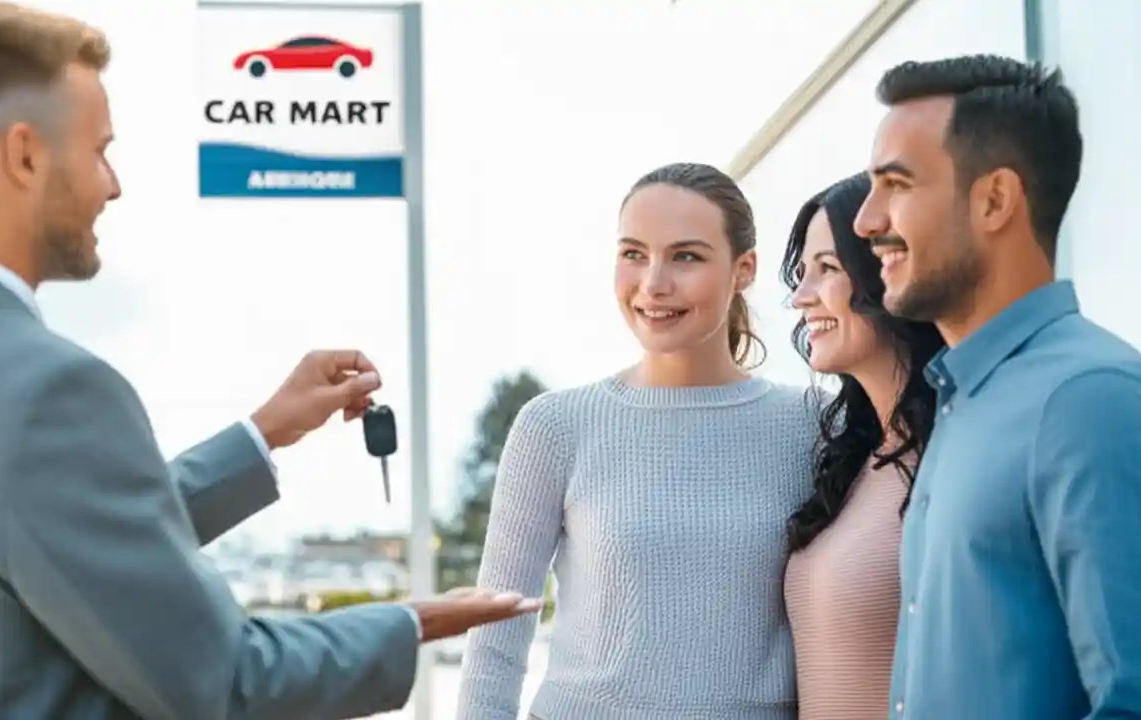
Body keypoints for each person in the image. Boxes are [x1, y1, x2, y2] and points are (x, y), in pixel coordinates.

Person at [0, 2, 539, 719]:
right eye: (100, 151)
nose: (113, 184)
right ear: (25, 155)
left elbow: (66, 541)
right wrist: (413, 621)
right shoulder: (52, 389)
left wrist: (263, 434)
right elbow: (229, 681)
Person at [455, 162, 820, 720]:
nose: (653, 284)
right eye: (633, 254)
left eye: (686, 256)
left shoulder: (814, 423)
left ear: (744, 269)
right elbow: (495, 635)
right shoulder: (555, 426)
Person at [854, 54, 1141, 719]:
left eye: (896, 184)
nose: (867, 220)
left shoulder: (1086, 400)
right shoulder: (964, 398)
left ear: (995, 201)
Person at [777, 172, 943, 720]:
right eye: (803, 273)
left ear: (888, 270)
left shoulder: (952, 453)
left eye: (828, 268)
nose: (801, 297)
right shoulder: (853, 461)